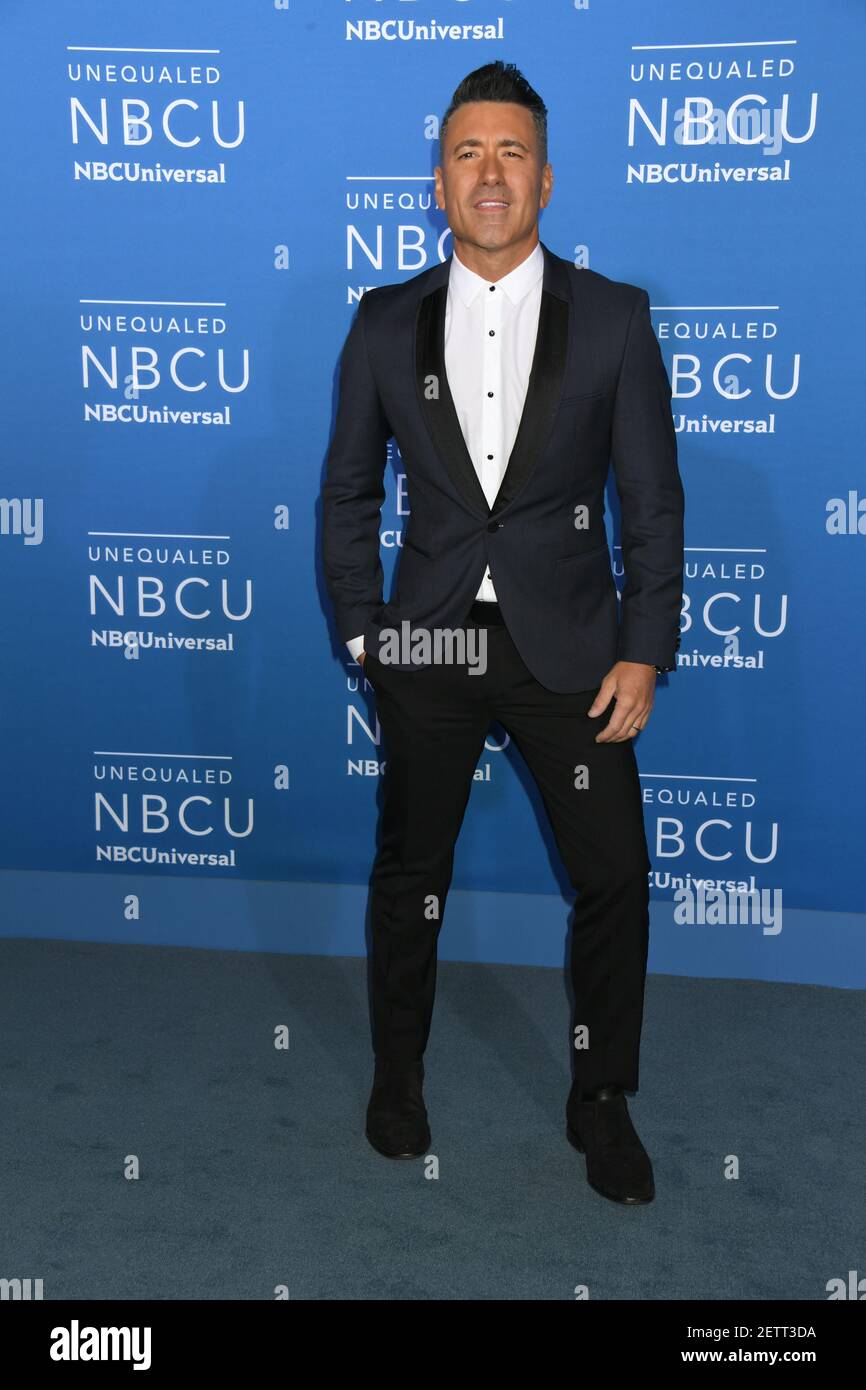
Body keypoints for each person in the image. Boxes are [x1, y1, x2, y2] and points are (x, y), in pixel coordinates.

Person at [322, 61, 684, 1205]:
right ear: (437, 182)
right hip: (427, 647)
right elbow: (346, 494)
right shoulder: (384, 322)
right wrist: (365, 636)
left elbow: (650, 498)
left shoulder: (613, 316)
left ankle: (599, 1096)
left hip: (568, 647)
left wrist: (643, 646)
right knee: (409, 873)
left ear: (545, 179)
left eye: (511, 152)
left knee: (613, 875)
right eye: (467, 153)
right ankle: (397, 1076)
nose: (490, 174)